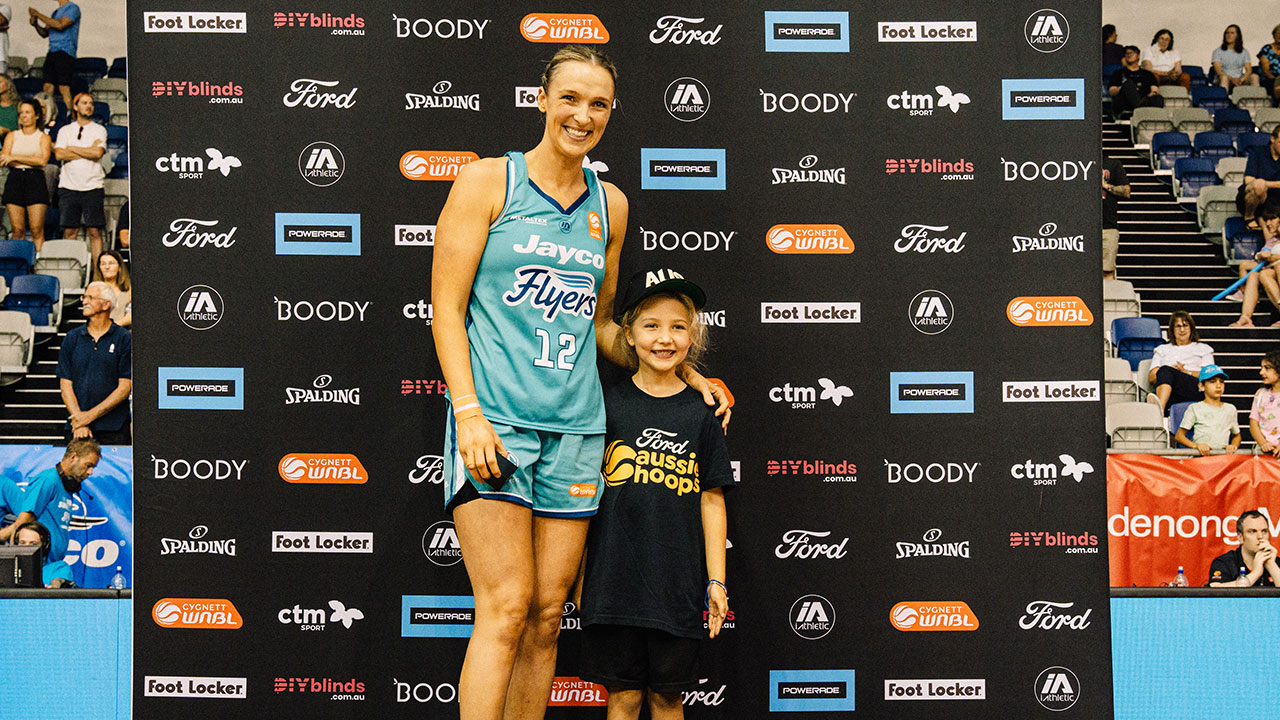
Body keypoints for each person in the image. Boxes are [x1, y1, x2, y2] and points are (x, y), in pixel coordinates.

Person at [430, 46, 728, 720]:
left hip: (577, 430)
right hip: (495, 423)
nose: (582, 115)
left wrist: (684, 372)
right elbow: (444, 308)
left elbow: (599, 323)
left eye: (598, 104)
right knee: (504, 609)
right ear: (541, 100)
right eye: (570, 98)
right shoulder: (486, 183)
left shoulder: (610, 205)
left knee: (543, 618)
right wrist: (469, 413)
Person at [579, 270, 731, 720]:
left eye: (678, 327)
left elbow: (711, 499)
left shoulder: (703, 412)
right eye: (651, 325)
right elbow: (584, 496)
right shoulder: (606, 405)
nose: (664, 338)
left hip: (678, 589)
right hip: (614, 587)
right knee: (622, 698)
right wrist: (579, 576)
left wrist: (716, 581)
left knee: (668, 699)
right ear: (627, 332)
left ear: (692, 337)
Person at [0, 438, 99, 564]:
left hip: (52, 563)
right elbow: (22, 524)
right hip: (38, 565)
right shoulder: (48, 480)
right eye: (88, 465)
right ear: (73, 457)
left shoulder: (67, 486)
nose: (90, 472)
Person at [56, 281, 131, 444]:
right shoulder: (72, 338)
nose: (84, 301)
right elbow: (65, 384)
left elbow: (125, 387)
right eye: (84, 297)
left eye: (90, 297)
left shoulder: (124, 339)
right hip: (76, 429)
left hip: (114, 429)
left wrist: (88, 417)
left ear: (106, 304)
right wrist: (79, 421)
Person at [54, 92, 106, 260]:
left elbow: (97, 153)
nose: (89, 106)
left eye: (91, 103)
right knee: (70, 231)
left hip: (93, 186)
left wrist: (72, 148)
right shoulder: (65, 130)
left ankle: (98, 271)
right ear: (76, 107)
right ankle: (70, 271)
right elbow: (60, 155)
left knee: (94, 231)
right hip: (68, 187)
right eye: (84, 103)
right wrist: (86, 150)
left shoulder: (99, 130)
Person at [0, 98, 50, 249]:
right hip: (15, 178)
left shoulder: (43, 137)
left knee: (36, 230)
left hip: (35, 180)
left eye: (27, 112)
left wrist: (15, 157)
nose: (23, 116)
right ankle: (18, 264)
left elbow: (42, 161)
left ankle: (38, 264)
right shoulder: (12, 135)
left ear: (36, 116)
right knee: (17, 229)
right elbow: (4, 158)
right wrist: (30, 159)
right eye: (21, 113)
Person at [1146, 311, 1214, 411]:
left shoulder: (1204, 349)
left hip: (1195, 388)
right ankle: (1160, 408)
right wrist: (1172, 372)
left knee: (1166, 371)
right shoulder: (1162, 349)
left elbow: (1211, 376)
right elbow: (1151, 378)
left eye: (1185, 326)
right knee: (1166, 372)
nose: (1182, 330)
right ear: (1172, 330)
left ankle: (1158, 411)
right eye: (1178, 326)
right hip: (1170, 390)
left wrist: (1186, 372)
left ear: (1191, 328)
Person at [1228, 205, 1280, 326]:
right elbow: (1261, 254)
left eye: (1272, 219)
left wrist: (1271, 257)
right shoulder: (1272, 240)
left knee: (1268, 272)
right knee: (1254, 276)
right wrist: (1262, 256)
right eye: (1266, 220)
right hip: (1271, 270)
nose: (1268, 223)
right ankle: (1245, 317)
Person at [1174, 364, 1241, 456]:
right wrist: (1196, 446)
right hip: (1201, 459)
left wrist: (1233, 446)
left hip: (1223, 460)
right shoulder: (1195, 408)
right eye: (1212, 382)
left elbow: (1237, 435)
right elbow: (1179, 436)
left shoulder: (1230, 409)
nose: (1218, 386)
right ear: (1201, 386)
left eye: (1221, 382)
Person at [29, 0, 79, 111]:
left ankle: (69, 117)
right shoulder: (55, 13)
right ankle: (48, 116)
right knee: (47, 87)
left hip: (65, 52)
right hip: (52, 52)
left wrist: (38, 14)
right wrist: (36, 24)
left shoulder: (73, 8)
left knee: (63, 87)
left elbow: (61, 25)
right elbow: (44, 33)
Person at [1207, 510, 1279, 586]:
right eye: (1252, 531)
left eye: (1264, 531)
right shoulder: (1225, 562)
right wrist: (1255, 574)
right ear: (1240, 537)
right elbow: (1215, 591)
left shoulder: (1276, 563)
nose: (1260, 537)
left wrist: (1271, 565)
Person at [1237, 127, 1280, 226]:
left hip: (1275, 198)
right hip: (1252, 198)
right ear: (1272, 139)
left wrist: (1266, 185)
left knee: (1261, 184)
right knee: (1258, 185)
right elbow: (1249, 181)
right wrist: (1264, 186)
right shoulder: (1257, 153)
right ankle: (1249, 218)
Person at [11, 520, 73, 587]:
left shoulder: (58, 567)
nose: (27, 548)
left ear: (44, 546)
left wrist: (55, 585)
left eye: (33, 544)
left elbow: (59, 580)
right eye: (22, 543)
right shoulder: (7, 569)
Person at [1108, 45, 1164, 118]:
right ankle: (1139, 106)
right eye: (1127, 53)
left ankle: (1143, 108)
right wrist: (1126, 88)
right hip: (1124, 102)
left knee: (1158, 98)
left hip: (1144, 99)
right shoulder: (1118, 73)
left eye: (1132, 53)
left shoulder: (1147, 74)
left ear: (1138, 55)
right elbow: (1112, 91)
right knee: (1128, 84)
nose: (1129, 55)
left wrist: (1152, 93)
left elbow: (1155, 90)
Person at [1248, 350, 1280, 457]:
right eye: (1262, 368)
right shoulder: (1260, 394)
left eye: (1267, 368)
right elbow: (1253, 423)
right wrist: (1263, 443)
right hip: (1263, 453)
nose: (1261, 372)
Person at [1102, 156, 1129, 279]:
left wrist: (1106, 186)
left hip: (1107, 225)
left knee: (1107, 270)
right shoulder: (1076, 162)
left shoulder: (1112, 164)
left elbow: (1126, 191)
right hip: (1081, 227)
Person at [1213, 24, 1259, 88]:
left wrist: (1241, 80)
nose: (1229, 35)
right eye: (1227, 33)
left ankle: (1255, 97)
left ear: (1237, 35)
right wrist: (1231, 79)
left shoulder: (1244, 52)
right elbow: (1219, 71)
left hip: (1239, 79)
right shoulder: (1218, 51)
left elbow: (1248, 70)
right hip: (1224, 79)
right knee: (1224, 78)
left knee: (1254, 77)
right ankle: (1224, 97)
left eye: (1232, 33)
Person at [92, 249, 130, 327]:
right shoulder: (93, 289)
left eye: (111, 263)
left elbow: (134, 314)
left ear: (119, 267)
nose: (107, 267)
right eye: (103, 264)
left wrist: (116, 326)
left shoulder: (129, 290)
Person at [1258, 24, 1280, 105]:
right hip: (1269, 79)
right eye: (1278, 33)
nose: (1279, 36)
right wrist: (1276, 81)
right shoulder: (1267, 49)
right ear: (1273, 35)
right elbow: (1266, 70)